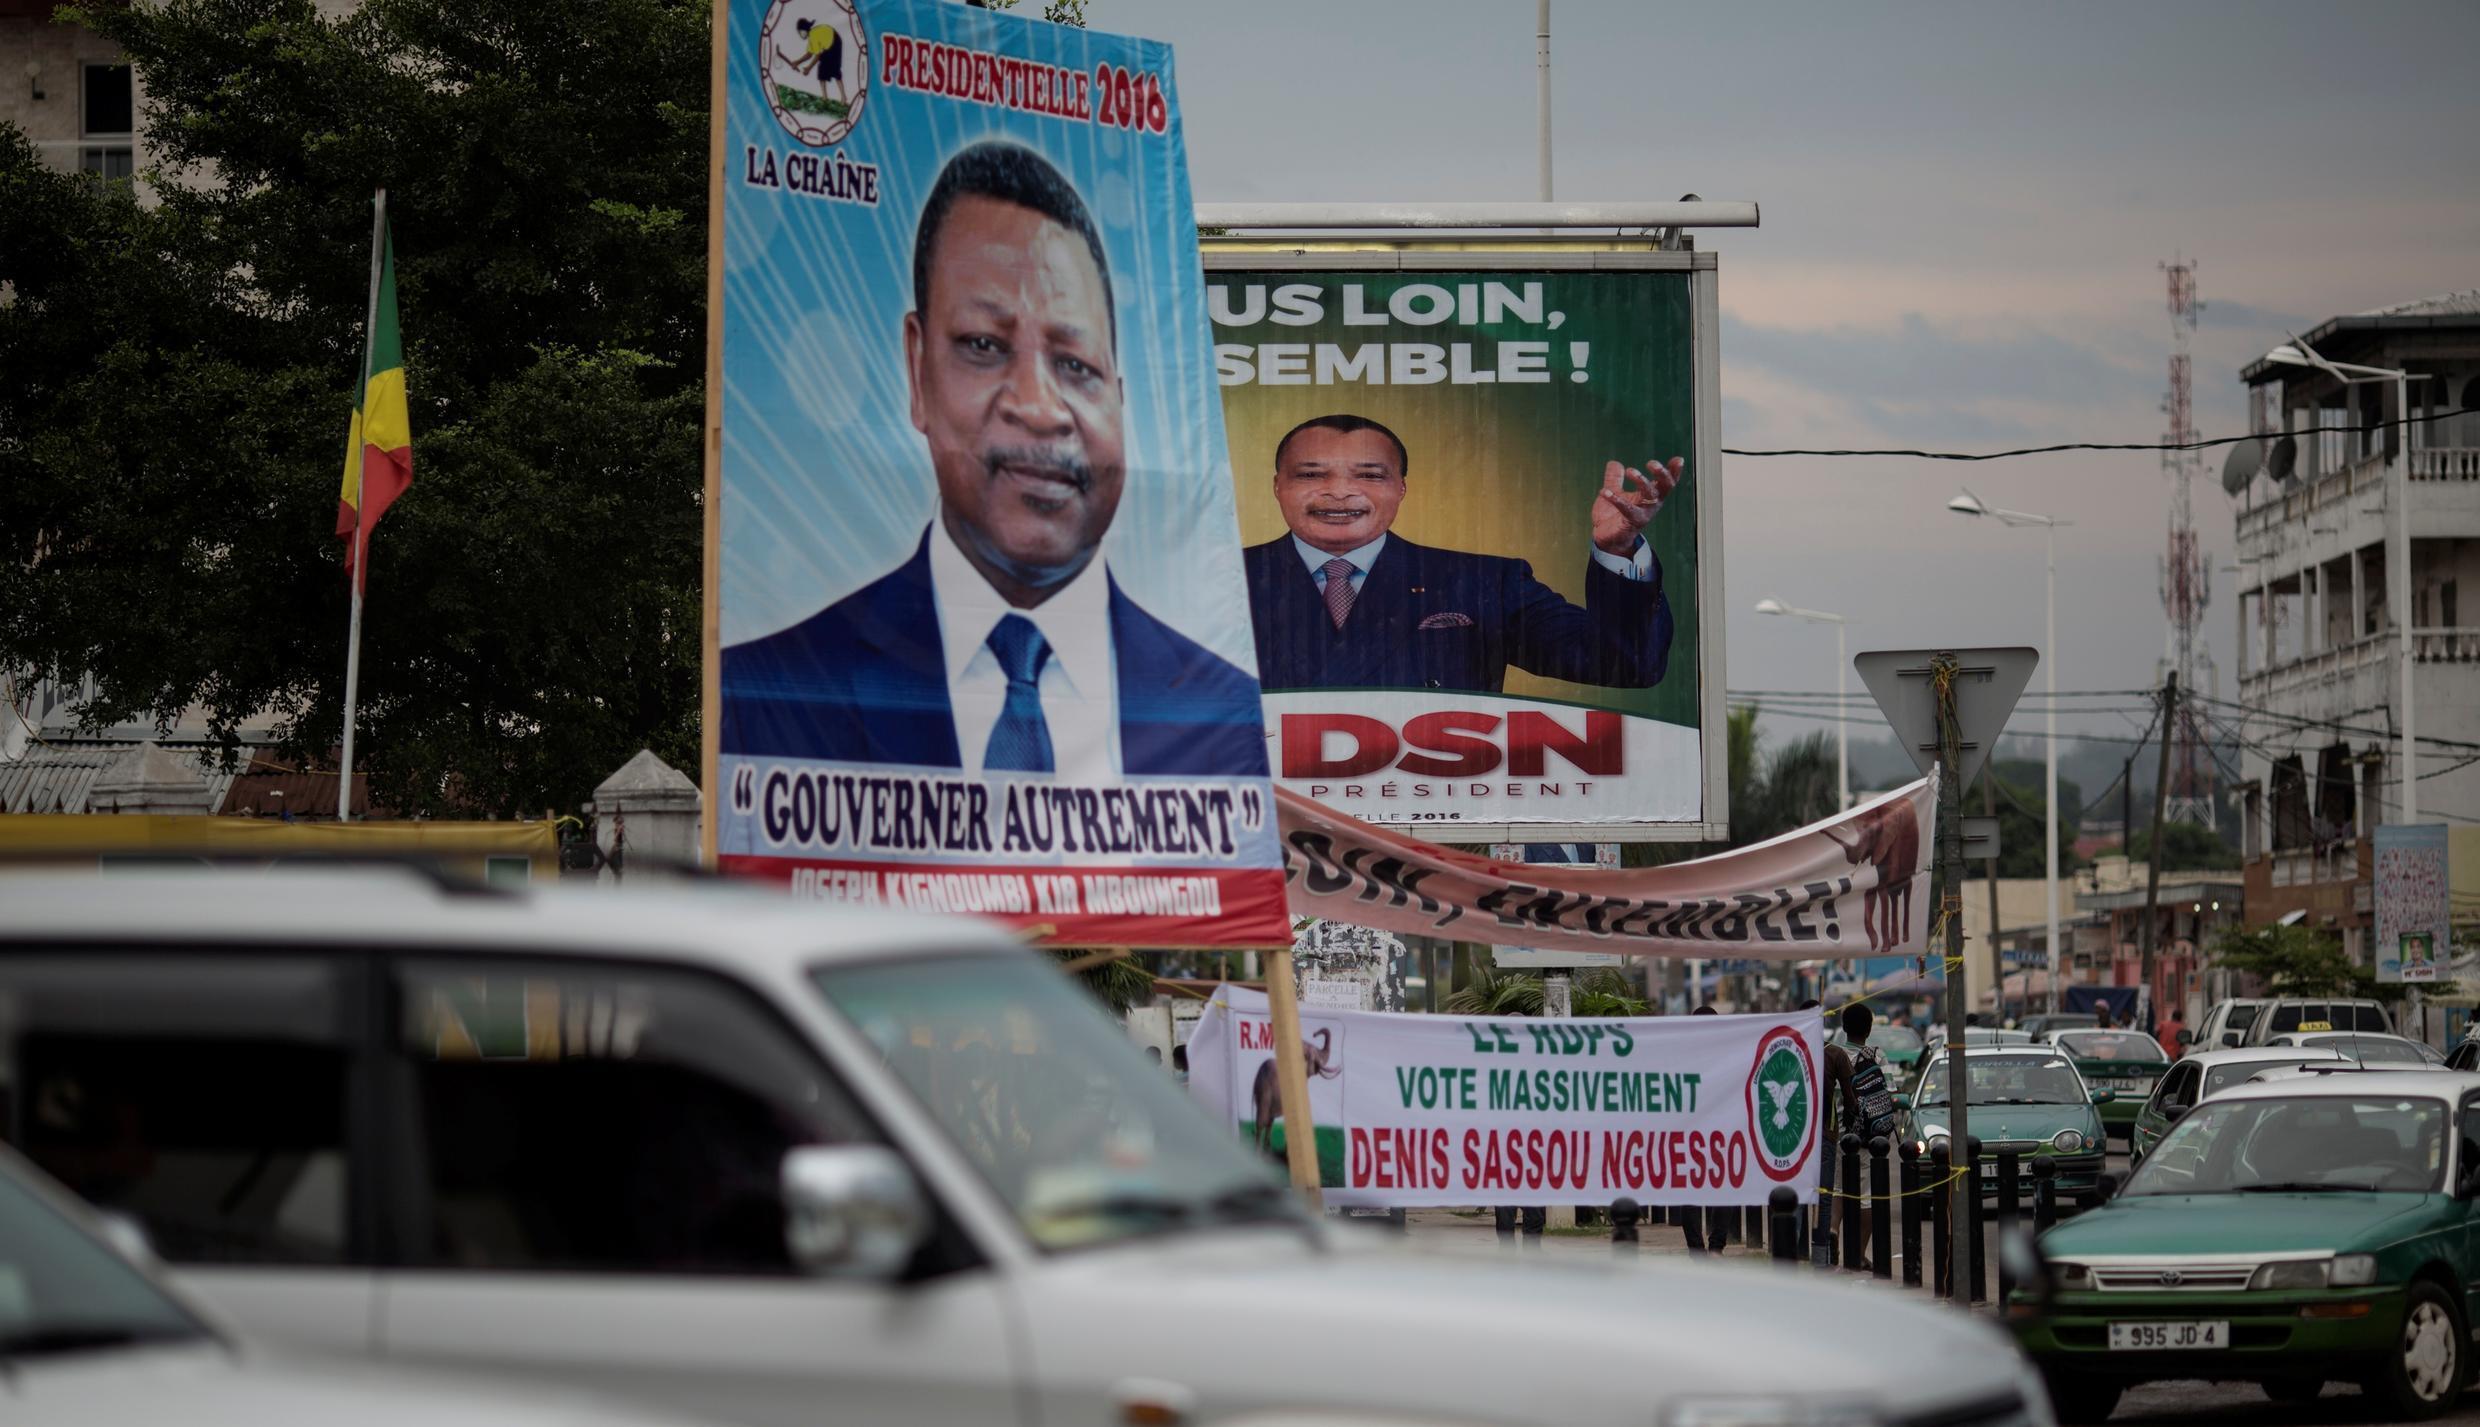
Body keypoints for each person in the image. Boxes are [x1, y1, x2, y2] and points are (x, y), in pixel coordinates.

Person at [721, 142, 1265, 778]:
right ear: (917, 370)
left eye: (1076, 364)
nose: (1039, 407)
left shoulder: (1217, 712)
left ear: (1120, 398)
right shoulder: (773, 693)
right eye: (983, 345)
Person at [1241, 414, 1681, 693]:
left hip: (1433, 802)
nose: (1339, 492)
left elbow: (1626, 666)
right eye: (1311, 474)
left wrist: (1617, 550)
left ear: (1401, 489)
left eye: (1370, 475)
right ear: (1278, 486)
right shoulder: (1215, 581)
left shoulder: (1485, 583)